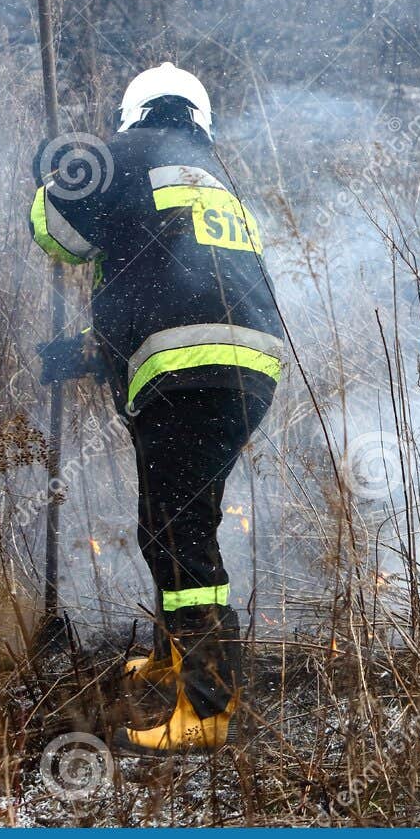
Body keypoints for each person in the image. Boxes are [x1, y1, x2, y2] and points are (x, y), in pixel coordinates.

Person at [28, 62, 285, 752]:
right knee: (173, 519)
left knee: (177, 531)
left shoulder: (127, 152)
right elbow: (170, 285)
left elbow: (57, 233)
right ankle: (177, 658)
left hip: (187, 369)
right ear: (200, 117)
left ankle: (207, 706)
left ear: (133, 111)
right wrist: (87, 348)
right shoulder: (213, 175)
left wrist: (48, 173)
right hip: (250, 366)